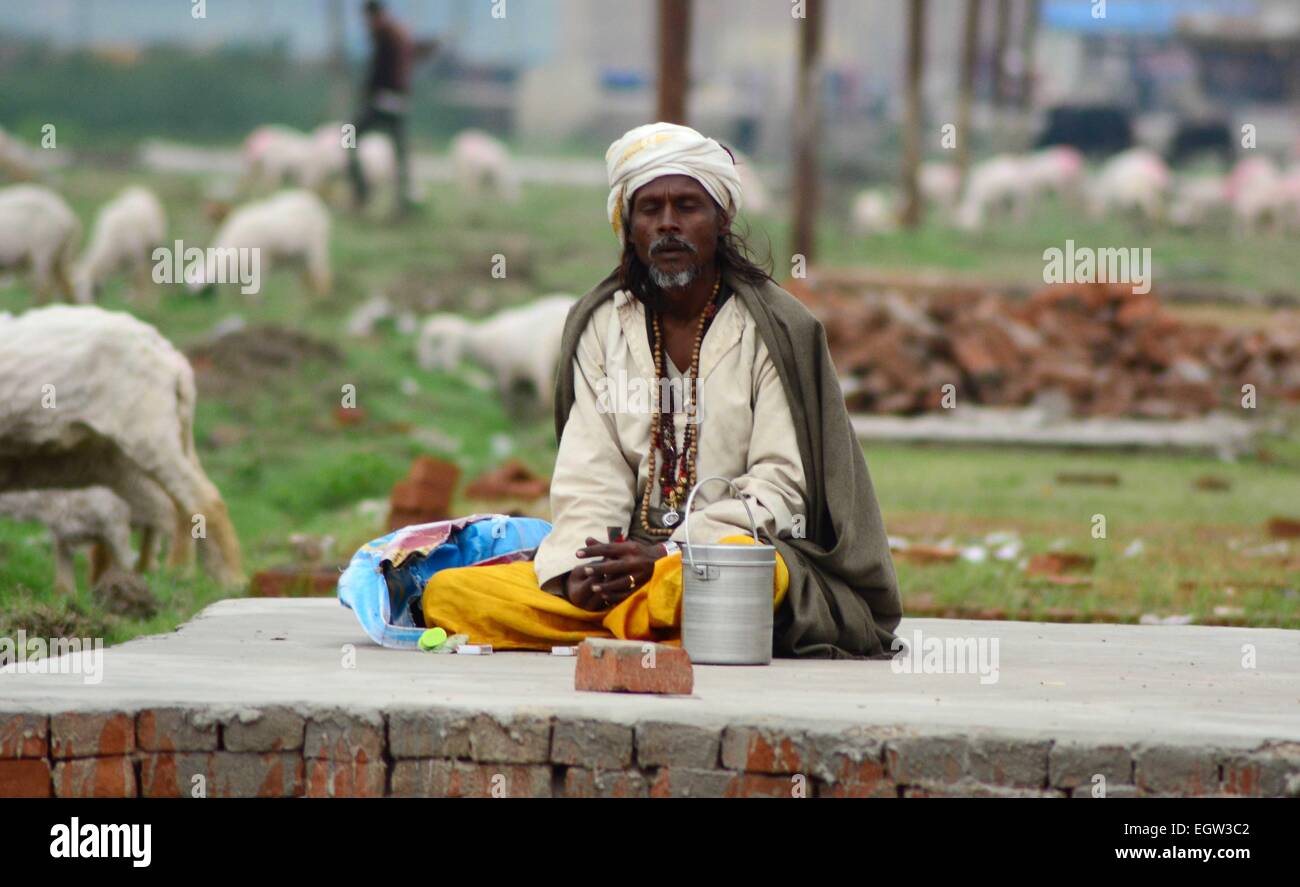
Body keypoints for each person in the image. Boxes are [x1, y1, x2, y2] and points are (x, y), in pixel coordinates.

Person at [420, 122, 902, 659]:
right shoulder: (602, 327)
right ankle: (648, 624)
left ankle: (635, 624)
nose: (668, 223)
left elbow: (782, 487)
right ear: (628, 226)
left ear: (721, 219)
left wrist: (671, 552)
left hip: (728, 558)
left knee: (726, 582)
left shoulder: (774, 328)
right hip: (626, 570)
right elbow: (589, 469)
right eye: (650, 209)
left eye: (688, 206)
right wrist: (585, 568)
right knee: (451, 594)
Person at [348, 0, 436, 215]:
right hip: (399, 103)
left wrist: (365, 93)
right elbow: (413, 53)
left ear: (373, 16)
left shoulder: (385, 36)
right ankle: (404, 202)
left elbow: (380, 72)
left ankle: (362, 193)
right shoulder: (399, 34)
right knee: (400, 156)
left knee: (349, 137)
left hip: (382, 102)